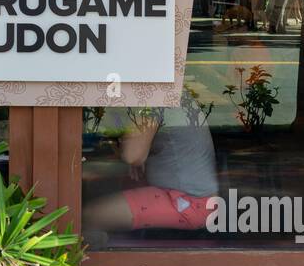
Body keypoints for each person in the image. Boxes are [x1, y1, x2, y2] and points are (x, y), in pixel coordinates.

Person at [82, 95, 220, 237]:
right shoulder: (172, 96)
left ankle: (93, 256)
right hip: (189, 197)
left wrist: (131, 150)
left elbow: (131, 155)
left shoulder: (157, 100)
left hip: (188, 202)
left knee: (86, 215)